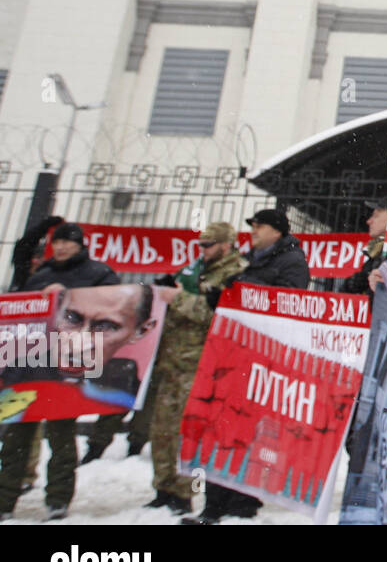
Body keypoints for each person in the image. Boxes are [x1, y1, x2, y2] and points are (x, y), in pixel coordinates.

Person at [182, 209, 309, 525]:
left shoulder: (291, 261)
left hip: (263, 361)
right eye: (251, 225)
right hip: (237, 358)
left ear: (277, 231)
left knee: (250, 433)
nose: (253, 230)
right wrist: (221, 296)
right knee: (223, 428)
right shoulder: (253, 259)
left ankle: (241, 506)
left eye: (260, 225)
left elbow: (288, 304)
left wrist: (248, 288)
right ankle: (214, 506)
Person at [0, 222, 119, 521]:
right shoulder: (40, 275)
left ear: (80, 245)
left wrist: (69, 295)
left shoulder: (99, 273)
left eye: (69, 242)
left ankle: (58, 500)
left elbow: (113, 308)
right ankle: (4, 499)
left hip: (68, 368)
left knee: (62, 437)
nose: (63, 247)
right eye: (58, 242)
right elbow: (22, 316)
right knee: (16, 438)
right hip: (30, 366)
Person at [144, 221, 246, 514]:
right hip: (172, 360)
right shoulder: (193, 268)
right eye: (201, 245)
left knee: (184, 431)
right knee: (161, 428)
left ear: (226, 245)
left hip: (200, 362)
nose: (203, 250)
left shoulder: (235, 272)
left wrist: (179, 299)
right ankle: (163, 486)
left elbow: (220, 312)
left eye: (209, 245)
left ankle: (182, 492)